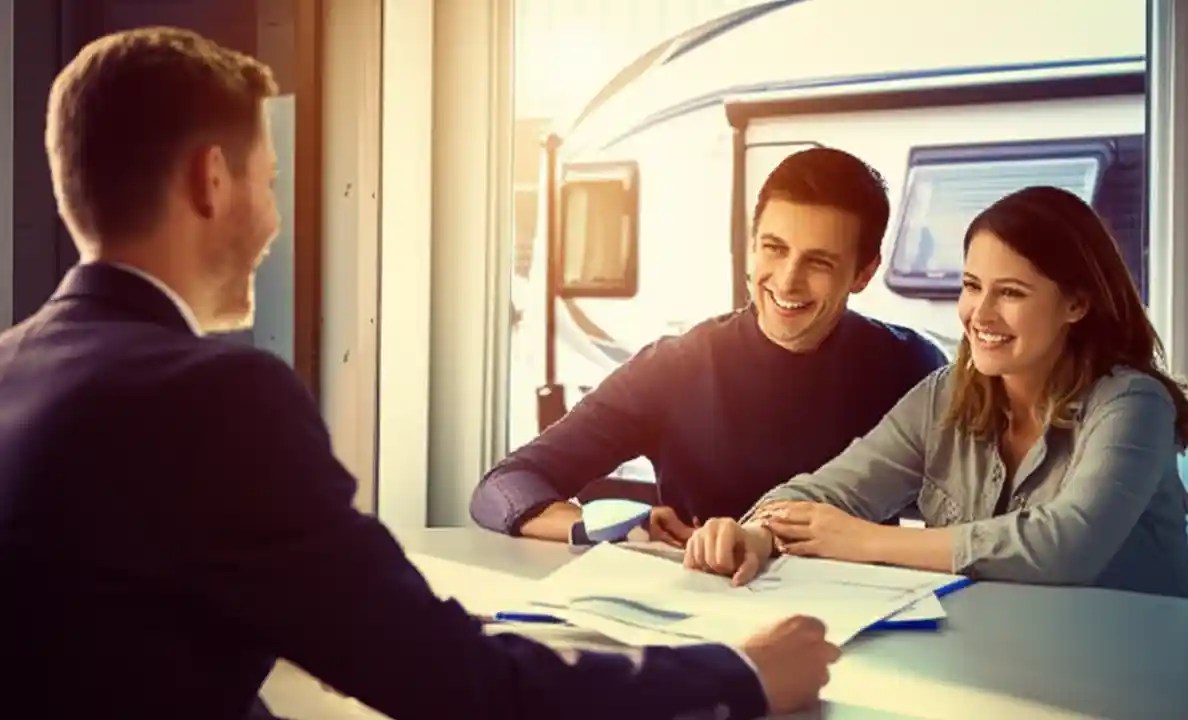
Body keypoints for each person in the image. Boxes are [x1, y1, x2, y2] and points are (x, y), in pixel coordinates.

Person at [0, 28, 841, 719]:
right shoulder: (215, 397)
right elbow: (453, 685)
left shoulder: (15, 367)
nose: (273, 219)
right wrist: (738, 675)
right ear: (211, 181)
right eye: (271, 180)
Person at [684, 186, 1188, 598]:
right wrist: (758, 534)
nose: (982, 313)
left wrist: (870, 541)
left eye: (1011, 293)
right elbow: (831, 490)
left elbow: (1065, 546)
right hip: (990, 661)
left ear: (1076, 305)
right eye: (972, 286)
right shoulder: (944, 394)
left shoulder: (1133, 404)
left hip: (1133, 670)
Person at [471, 147, 947, 545]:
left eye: (818, 261)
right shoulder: (677, 366)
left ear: (863, 273)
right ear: (751, 244)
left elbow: (968, 520)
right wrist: (610, 529)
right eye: (774, 248)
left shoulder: (911, 367)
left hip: (857, 624)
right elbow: (503, 487)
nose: (787, 280)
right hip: (701, 621)